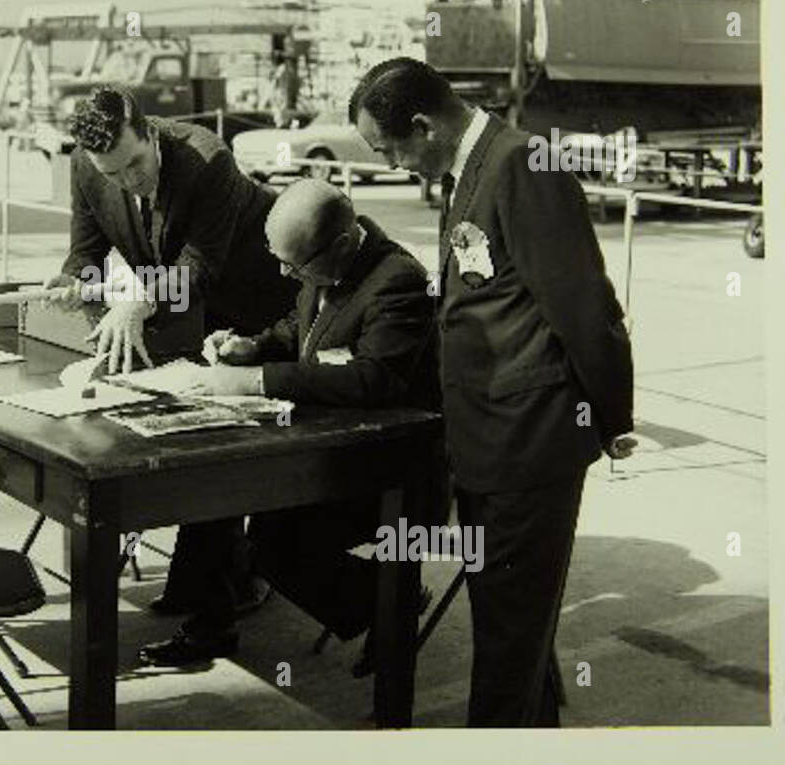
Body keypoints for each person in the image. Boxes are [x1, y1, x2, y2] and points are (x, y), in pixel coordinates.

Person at [351, 57, 635, 726]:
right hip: (485, 441)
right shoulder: (468, 170)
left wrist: (612, 419)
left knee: (507, 644)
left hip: (529, 443)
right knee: (508, 629)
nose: (391, 163)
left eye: (388, 149)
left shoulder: (521, 165)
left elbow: (585, 307)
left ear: (422, 126)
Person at [50, 85, 298, 647]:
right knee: (199, 439)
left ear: (151, 132)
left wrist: (136, 301)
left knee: (217, 449)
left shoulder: (208, 158)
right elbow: (83, 254)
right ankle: (206, 585)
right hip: (188, 313)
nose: (129, 181)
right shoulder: (88, 168)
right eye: (112, 174)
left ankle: (222, 605)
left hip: (259, 307)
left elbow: (200, 268)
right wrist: (72, 283)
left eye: (135, 165)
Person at [153, 179, 440, 666]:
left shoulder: (398, 282)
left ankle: (389, 602)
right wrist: (254, 345)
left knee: (275, 546)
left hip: (385, 468)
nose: (287, 274)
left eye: (296, 263)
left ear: (344, 244)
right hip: (322, 445)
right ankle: (211, 623)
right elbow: (301, 328)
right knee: (215, 490)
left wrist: (254, 382)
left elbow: (374, 378)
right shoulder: (326, 261)